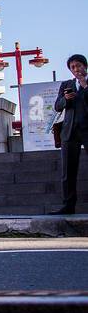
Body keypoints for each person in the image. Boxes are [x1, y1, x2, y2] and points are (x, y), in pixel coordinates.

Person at [50, 53, 88, 215]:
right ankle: (68, 205)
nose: (76, 69)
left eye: (78, 65)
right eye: (72, 67)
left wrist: (84, 85)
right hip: (69, 131)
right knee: (68, 172)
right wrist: (66, 99)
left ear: (85, 66)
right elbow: (57, 106)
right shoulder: (67, 84)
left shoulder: (86, 83)